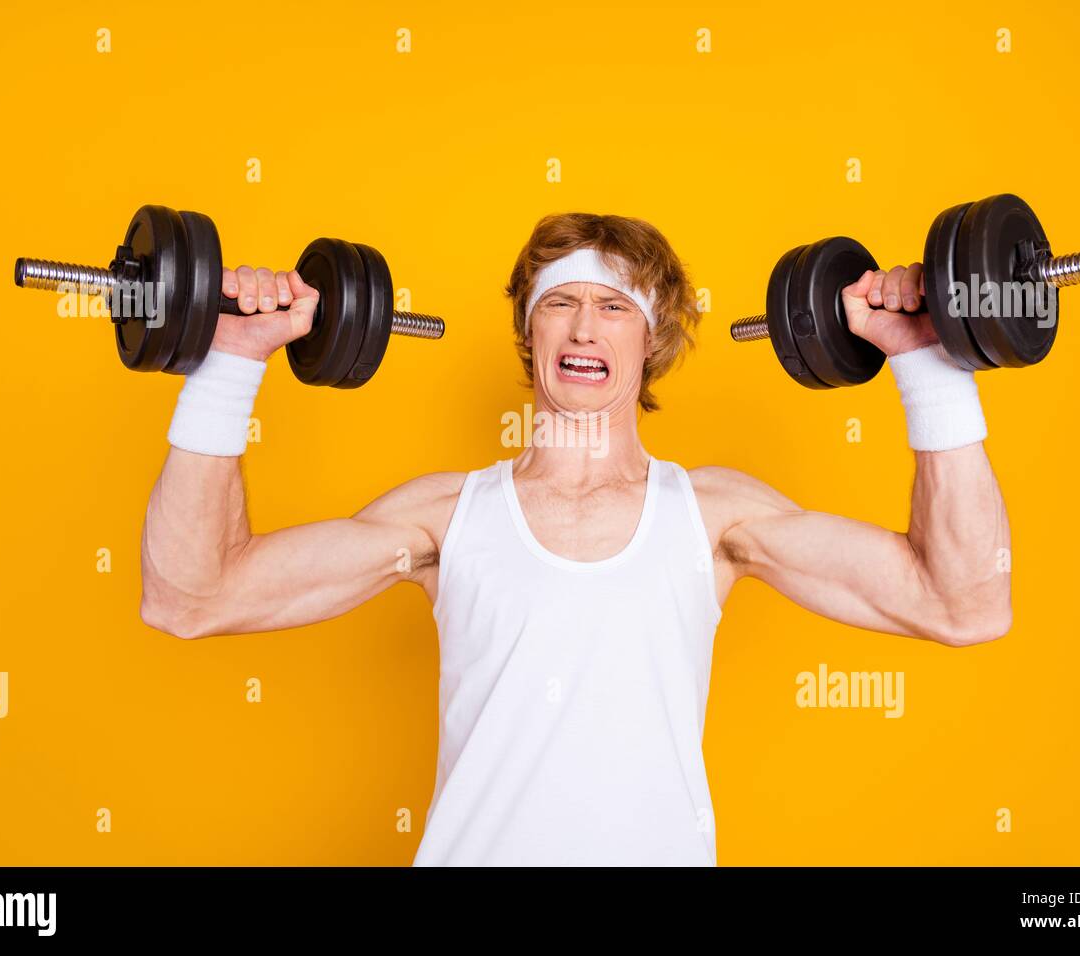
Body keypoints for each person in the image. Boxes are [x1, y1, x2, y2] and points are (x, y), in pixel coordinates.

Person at [139, 212, 1011, 866]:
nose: (585, 328)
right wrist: (229, 363)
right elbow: (191, 597)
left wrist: (929, 368)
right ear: (530, 332)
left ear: (653, 337)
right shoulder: (444, 521)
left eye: (612, 308)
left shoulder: (716, 520)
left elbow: (964, 604)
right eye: (559, 305)